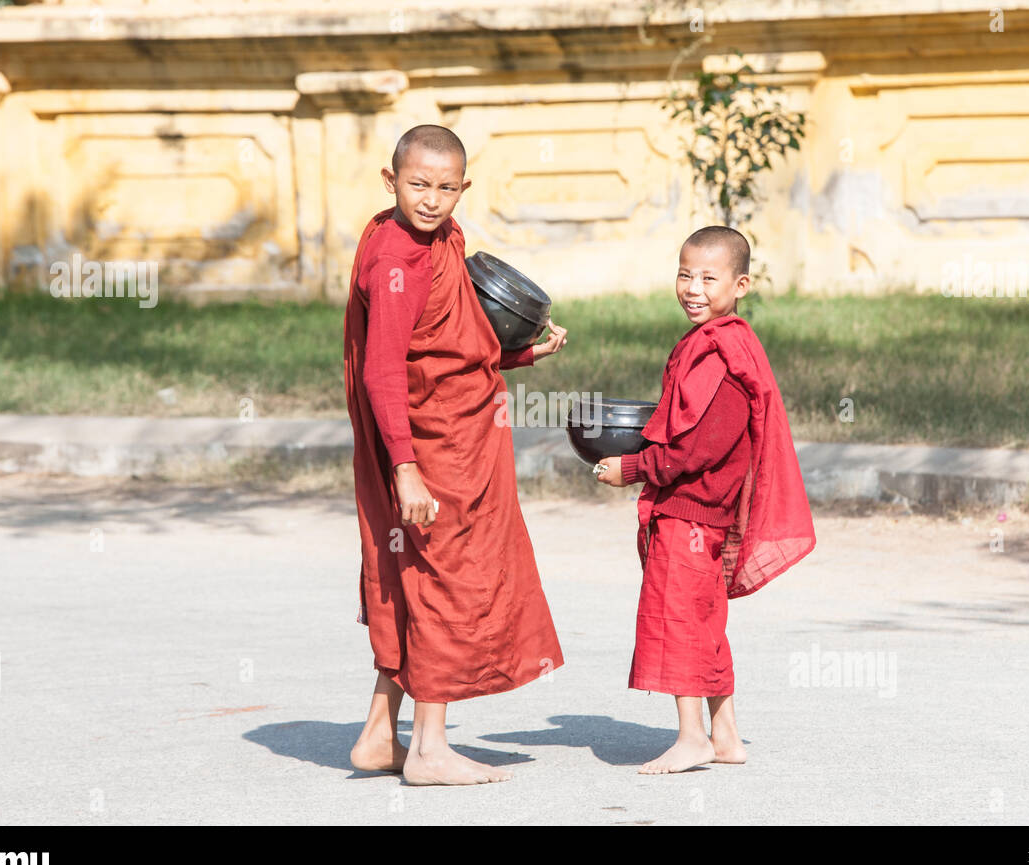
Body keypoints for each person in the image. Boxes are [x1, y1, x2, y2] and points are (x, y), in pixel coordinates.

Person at [344, 124, 568, 786]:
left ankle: (382, 732)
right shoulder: (396, 261)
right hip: (433, 447)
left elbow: (446, 346)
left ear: (463, 189)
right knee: (445, 577)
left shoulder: (439, 239)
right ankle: (431, 747)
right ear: (391, 182)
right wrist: (406, 468)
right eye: (418, 185)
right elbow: (384, 372)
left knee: (418, 573)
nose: (433, 200)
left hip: (460, 431)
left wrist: (522, 352)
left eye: (446, 188)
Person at [594, 226, 816, 774]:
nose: (693, 288)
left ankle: (690, 737)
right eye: (684, 273)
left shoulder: (720, 352)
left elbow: (696, 447)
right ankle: (726, 736)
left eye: (708, 278)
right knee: (705, 621)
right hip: (707, 512)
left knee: (678, 623)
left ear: (740, 284)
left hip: (690, 511)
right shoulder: (724, 341)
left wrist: (631, 468)